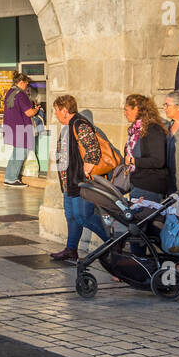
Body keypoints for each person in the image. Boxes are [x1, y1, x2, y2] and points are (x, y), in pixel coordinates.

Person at [49, 94, 110, 262]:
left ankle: (113, 243)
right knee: (71, 216)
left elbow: (93, 151)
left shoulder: (80, 124)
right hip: (69, 182)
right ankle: (71, 249)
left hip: (80, 182)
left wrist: (87, 168)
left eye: (57, 110)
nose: (56, 114)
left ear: (65, 110)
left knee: (83, 216)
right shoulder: (68, 126)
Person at [123, 94, 170, 201]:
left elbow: (158, 161)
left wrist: (133, 160)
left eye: (126, 110)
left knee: (143, 217)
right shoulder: (135, 130)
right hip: (137, 183)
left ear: (136, 109)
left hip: (148, 186)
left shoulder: (153, 129)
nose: (124, 114)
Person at [2, 72, 37, 187]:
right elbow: (29, 112)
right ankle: (11, 179)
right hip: (21, 128)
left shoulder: (9, 92)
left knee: (16, 153)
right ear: (21, 82)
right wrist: (36, 109)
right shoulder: (21, 94)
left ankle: (8, 177)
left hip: (11, 127)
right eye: (26, 84)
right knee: (19, 153)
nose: (27, 87)